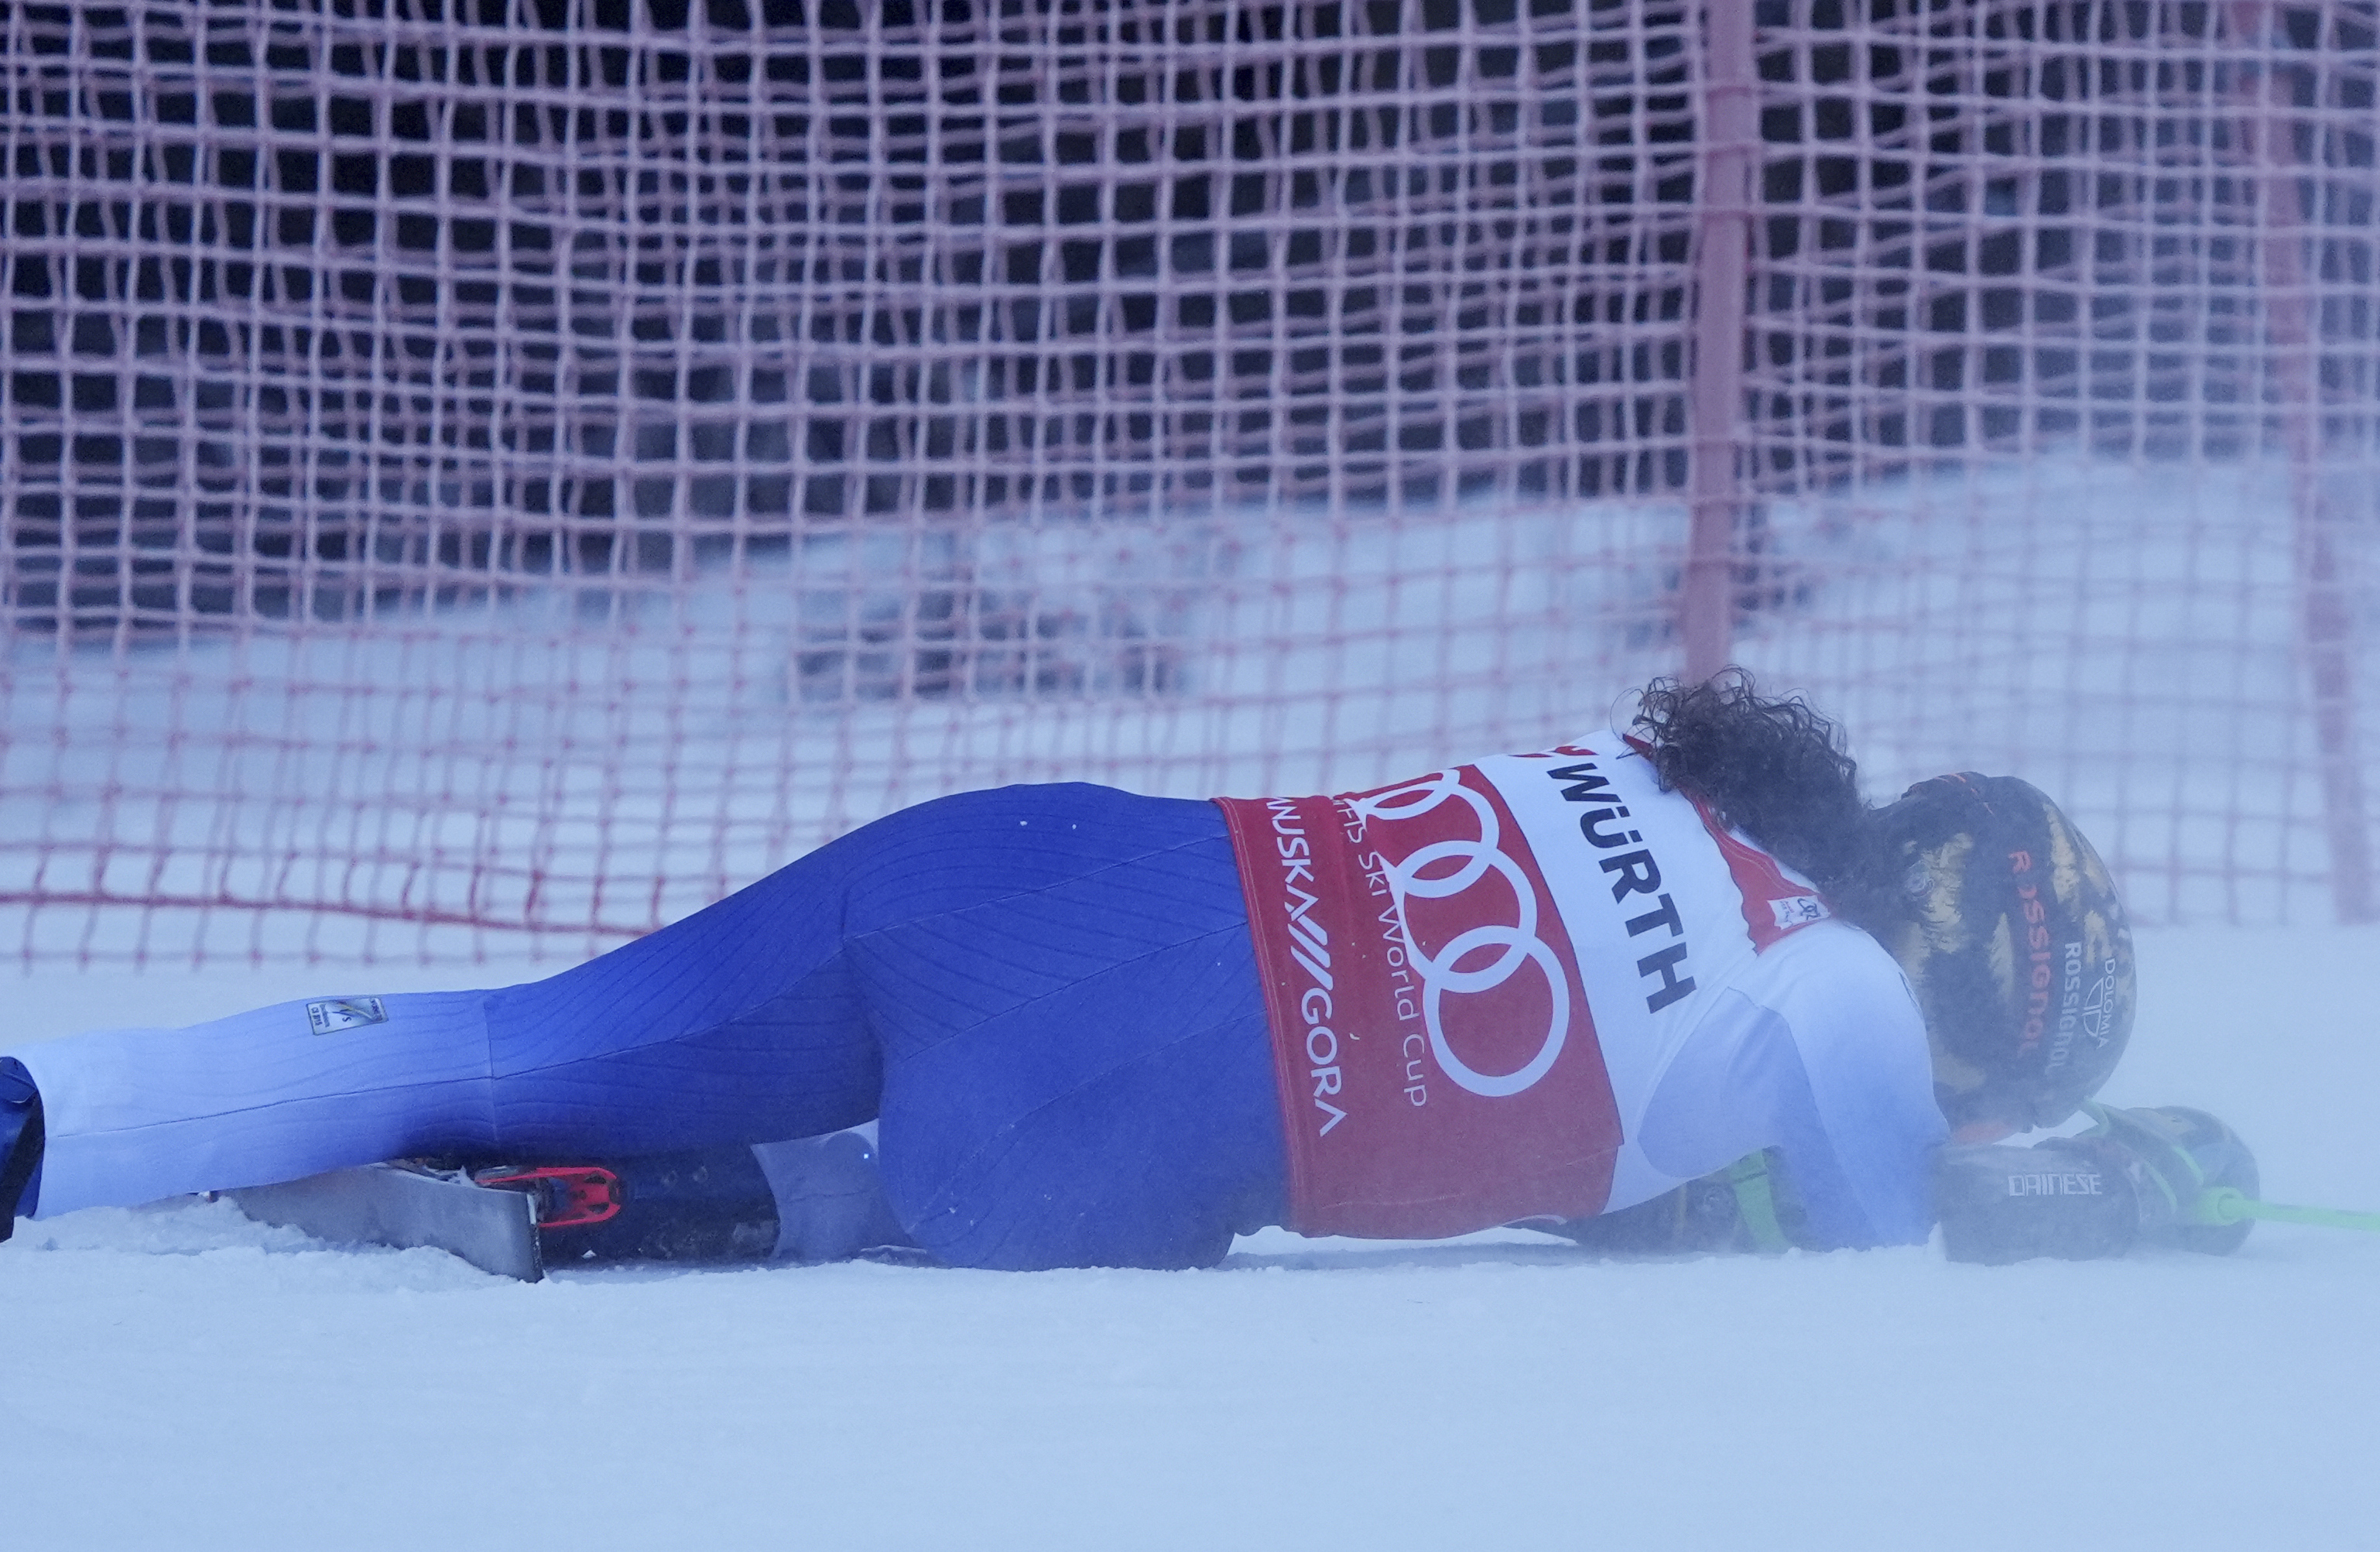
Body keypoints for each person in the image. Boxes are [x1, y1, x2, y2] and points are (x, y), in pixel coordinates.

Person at [0, 673, 2255, 1271]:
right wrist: (2140, 1184)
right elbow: (1885, 1251)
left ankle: (47, 1121)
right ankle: (702, 1206)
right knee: (937, 1185)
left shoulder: (1636, 770)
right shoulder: (1837, 1005)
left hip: (1006, 865)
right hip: (1067, 1138)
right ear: (1965, 1030)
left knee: (506, 1037)